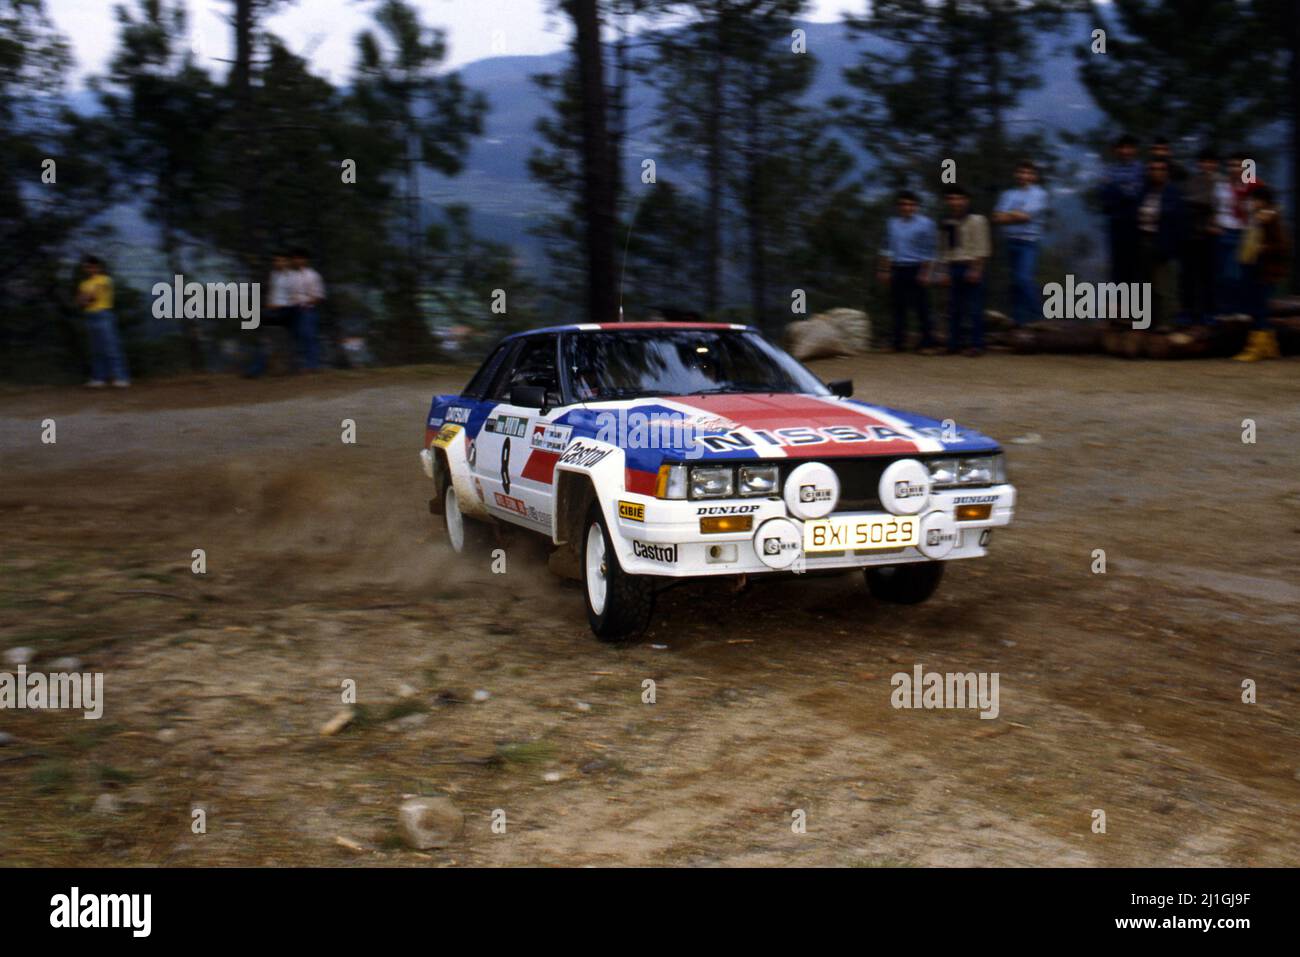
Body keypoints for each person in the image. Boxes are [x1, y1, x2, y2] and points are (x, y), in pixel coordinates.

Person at [876, 190, 937, 353]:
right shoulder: (892, 224)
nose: (907, 207)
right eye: (904, 204)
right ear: (898, 206)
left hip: (916, 267)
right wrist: (884, 269)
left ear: (916, 207)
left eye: (911, 204)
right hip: (898, 267)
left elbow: (929, 250)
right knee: (898, 307)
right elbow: (887, 248)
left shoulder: (925, 223)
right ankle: (897, 342)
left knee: (922, 307)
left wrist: (926, 273)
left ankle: (927, 343)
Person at [1233, 185, 1288, 361]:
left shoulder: (1271, 218)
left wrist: (1264, 248)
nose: (1252, 203)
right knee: (1257, 307)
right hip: (1253, 268)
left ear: (1264, 201)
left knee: (1260, 309)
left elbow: (1283, 246)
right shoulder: (1257, 218)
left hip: (1265, 270)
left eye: (1255, 199)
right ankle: (1270, 346)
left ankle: (1256, 348)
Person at [991, 160, 1049, 327]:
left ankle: (1037, 316)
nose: (1024, 176)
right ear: (1016, 174)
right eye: (1021, 172)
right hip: (1010, 241)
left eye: (1028, 173)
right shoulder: (1008, 194)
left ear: (1034, 176)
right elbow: (996, 217)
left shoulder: (1039, 194)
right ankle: (1018, 321)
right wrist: (1015, 215)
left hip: (1028, 242)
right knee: (1015, 282)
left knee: (1024, 279)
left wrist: (1008, 216)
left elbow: (1026, 217)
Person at [935, 186, 990, 356]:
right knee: (954, 308)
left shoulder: (977, 220)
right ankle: (953, 343)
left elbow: (982, 246)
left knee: (974, 308)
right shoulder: (947, 222)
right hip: (953, 266)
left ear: (966, 200)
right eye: (952, 199)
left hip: (970, 264)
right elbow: (945, 248)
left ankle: (977, 344)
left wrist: (976, 268)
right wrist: (943, 271)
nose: (955, 202)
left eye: (959, 199)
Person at [1135, 158, 1185, 330]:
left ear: (1167, 172)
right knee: (1144, 283)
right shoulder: (1145, 191)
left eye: (1161, 169)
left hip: (1163, 242)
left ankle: (1166, 323)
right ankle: (1146, 321)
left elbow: (1178, 221)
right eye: (1153, 168)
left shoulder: (1173, 193)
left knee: (1163, 285)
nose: (1157, 172)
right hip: (1144, 239)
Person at [76, 255, 130, 388]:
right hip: (90, 315)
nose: (88, 269)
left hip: (103, 314)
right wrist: (85, 298)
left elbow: (91, 298)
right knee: (96, 349)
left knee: (111, 347)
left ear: (97, 267)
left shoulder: (105, 280)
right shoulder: (84, 283)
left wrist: (85, 298)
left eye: (90, 266)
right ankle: (99, 378)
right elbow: (79, 301)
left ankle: (121, 377)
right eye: (86, 267)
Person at [1099, 134, 1144, 284]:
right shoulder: (1110, 169)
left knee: (1134, 263)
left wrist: (1114, 187)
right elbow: (1102, 193)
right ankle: (1119, 302)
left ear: (1134, 150)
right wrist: (1121, 189)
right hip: (1115, 222)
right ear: (1116, 150)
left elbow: (1134, 193)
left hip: (1133, 222)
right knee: (1117, 263)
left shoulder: (1140, 169)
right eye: (1122, 148)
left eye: (1128, 148)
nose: (1125, 151)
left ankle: (1135, 303)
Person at [1183, 149, 1221, 323]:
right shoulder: (1193, 180)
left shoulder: (1221, 181)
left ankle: (1209, 312)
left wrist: (1198, 202)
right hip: (1193, 234)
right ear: (1199, 163)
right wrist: (1203, 202)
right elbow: (1188, 199)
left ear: (1216, 164)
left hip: (1212, 235)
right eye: (1204, 161)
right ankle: (1190, 311)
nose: (1207, 165)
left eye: (1210, 162)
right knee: (1190, 275)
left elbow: (1213, 203)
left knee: (1210, 276)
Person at [245, 253, 294, 378]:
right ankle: (256, 369)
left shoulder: (292, 277)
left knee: (283, 340)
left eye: (281, 260)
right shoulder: (273, 275)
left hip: (285, 311)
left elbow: (294, 296)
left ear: (287, 262)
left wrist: (281, 305)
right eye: (276, 261)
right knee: (265, 340)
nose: (278, 263)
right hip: (271, 311)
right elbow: (270, 292)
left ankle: (287, 369)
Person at [1215, 151, 1251, 315]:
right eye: (1232, 165)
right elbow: (1216, 208)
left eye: (1238, 165)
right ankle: (1224, 311)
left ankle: (1236, 311)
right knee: (1223, 274)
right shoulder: (1221, 186)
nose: (1235, 168)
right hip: (1223, 232)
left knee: (1236, 275)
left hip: (1243, 234)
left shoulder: (1250, 186)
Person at [289, 248, 325, 371]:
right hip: (293, 310)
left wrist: (305, 303)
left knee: (309, 336)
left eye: (299, 258)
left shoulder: (313, 276)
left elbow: (318, 296)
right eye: (295, 258)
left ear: (305, 260)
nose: (297, 260)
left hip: (307, 310)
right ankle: (298, 365)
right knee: (296, 337)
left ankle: (312, 365)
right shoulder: (292, 276)